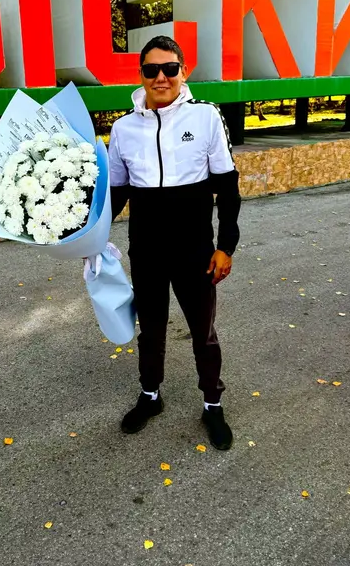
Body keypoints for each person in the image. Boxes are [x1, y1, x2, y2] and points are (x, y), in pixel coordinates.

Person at [109, 36, 241, 450]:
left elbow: (228, 187)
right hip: (146, 249)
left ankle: (212, 404)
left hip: (195, 249)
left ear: (184, 71)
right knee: (150, 330)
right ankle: (150, 396)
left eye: (170, 68)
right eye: (152, 70)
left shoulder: (205, 116)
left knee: (203, 331)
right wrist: (85, 236)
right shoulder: (123, 128)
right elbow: (116, 192)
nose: (161, 77)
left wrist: (226, 246)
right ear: (141, 74)